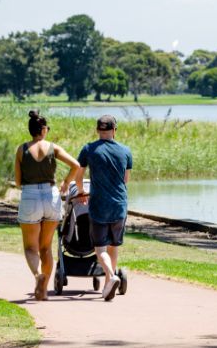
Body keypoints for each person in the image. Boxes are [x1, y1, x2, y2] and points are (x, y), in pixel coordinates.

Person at [15, 110, 80, 300]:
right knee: (46, 247)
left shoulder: (21, 150)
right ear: (43, 130)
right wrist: (66, 182)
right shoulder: (53, 148)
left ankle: (38, 276)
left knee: (30, 247)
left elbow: (18, 182)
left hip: (30, 196)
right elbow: (76, 165)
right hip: (51, 196)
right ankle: (43, 291)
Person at [75, 114, 132, 301]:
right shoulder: (125, 151)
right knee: (113, 246)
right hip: (120, 205)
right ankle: (108, 284)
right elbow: (125, 180)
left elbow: (78, 176)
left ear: (97, 130)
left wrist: (82, 192)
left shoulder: (89, 149)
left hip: (99, 205)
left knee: (100, 249)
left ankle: (111, 276)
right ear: (114, 130)